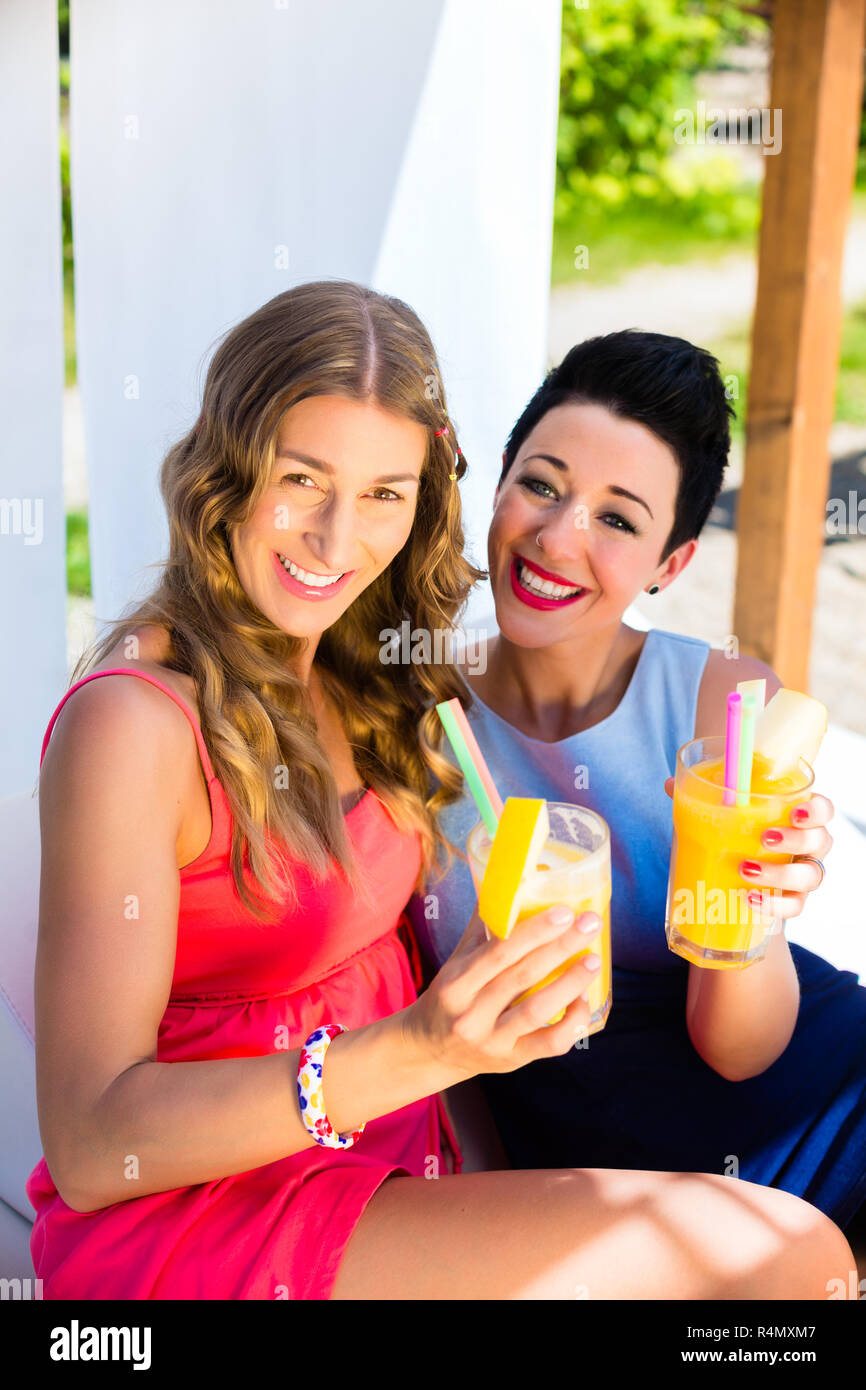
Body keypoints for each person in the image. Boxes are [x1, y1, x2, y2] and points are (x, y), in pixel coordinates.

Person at [27, 286, 855, 1300]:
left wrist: (498, 1169)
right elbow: (89, 1139)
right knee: (787, 1263)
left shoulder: (372, 683)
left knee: (791, 1260)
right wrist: (413, 1050)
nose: (337, 539)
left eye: (384, 491)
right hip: (218, 1208)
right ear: (227, 468)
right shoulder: (134, 722)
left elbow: (409, 975)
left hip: (409, 1164)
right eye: (301, 478)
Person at [410, 328, 866, 1264]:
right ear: (497, 482)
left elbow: (738, 1050)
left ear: (672, 562)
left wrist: (756, 912)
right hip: (568, 1160)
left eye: (619, 520)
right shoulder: (415, 721)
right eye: (541, 483)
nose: (558, 537)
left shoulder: (723, 707)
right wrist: (488, 1191)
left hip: (795, 1110)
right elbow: (413, 1009)